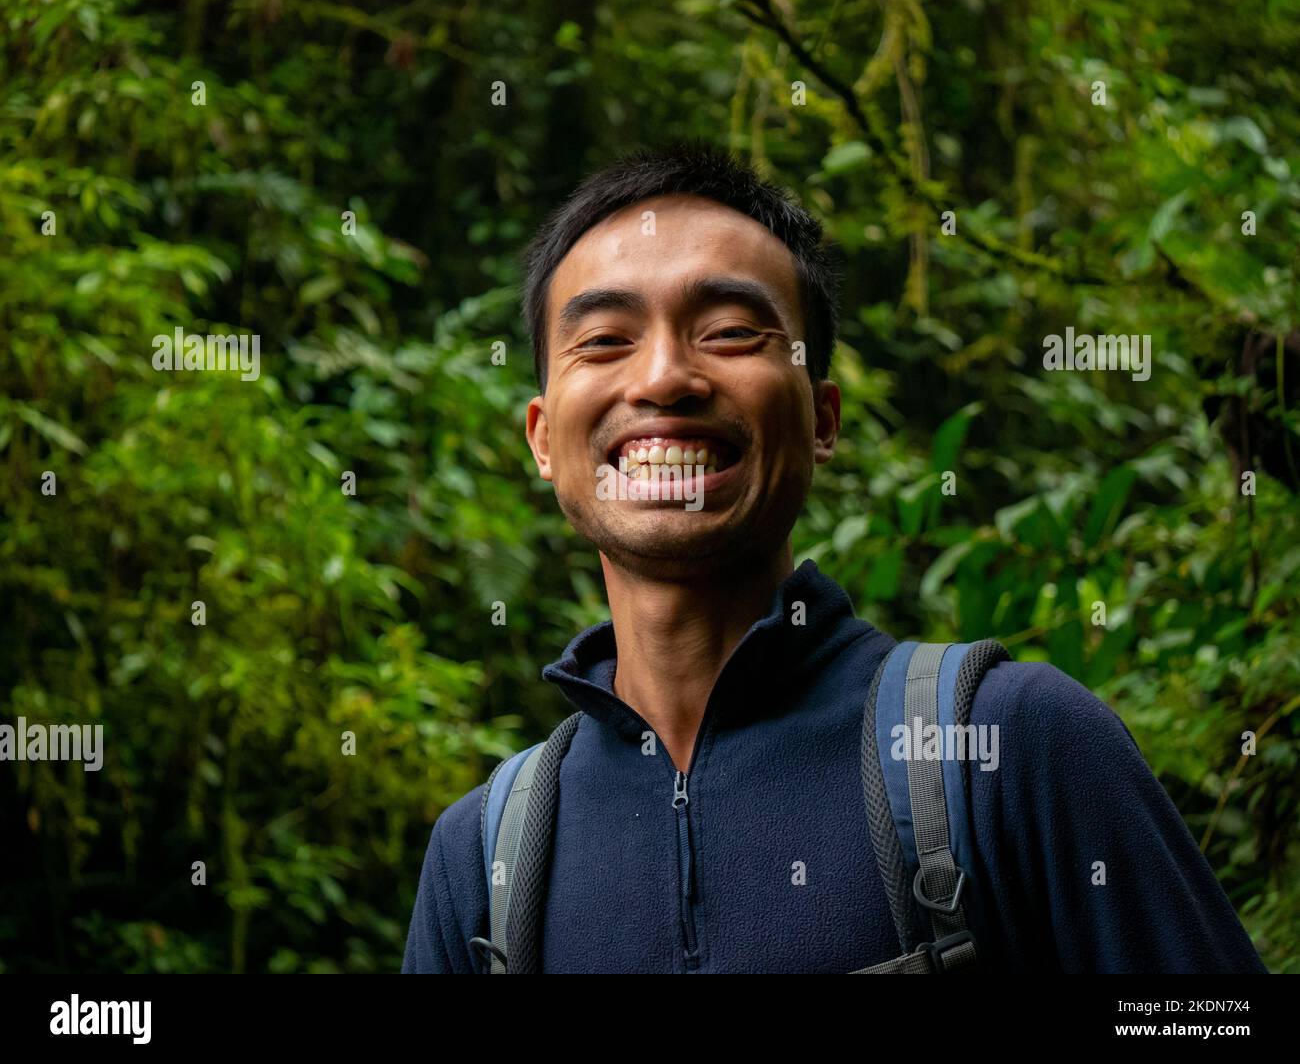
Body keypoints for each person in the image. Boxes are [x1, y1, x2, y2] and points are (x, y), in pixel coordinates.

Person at [401, 143, 1268, 974]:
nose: (663, 378)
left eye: (732, 332)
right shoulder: (486, 861)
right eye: (604, 341)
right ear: (544, 437)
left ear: (821, 420)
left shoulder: (1008, 745)